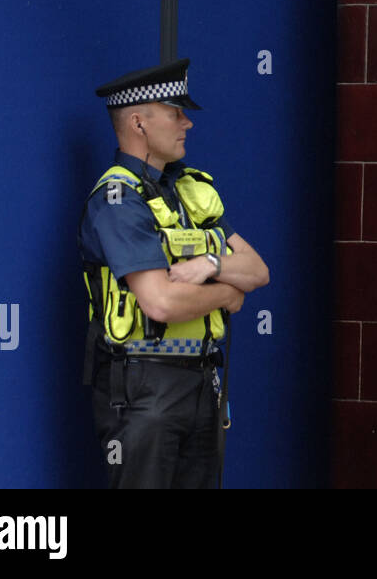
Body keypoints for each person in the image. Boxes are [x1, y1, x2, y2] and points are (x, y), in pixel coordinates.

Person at [78, 58, 269, 488]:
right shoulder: (117, 198)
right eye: (175, 112)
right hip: (143, 387)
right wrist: (225, 294)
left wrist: (211, 264)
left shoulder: (188, 190)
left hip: (202, 380)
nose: (187, 123)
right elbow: (159, 300)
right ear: (139, 122)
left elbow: (257, 270)